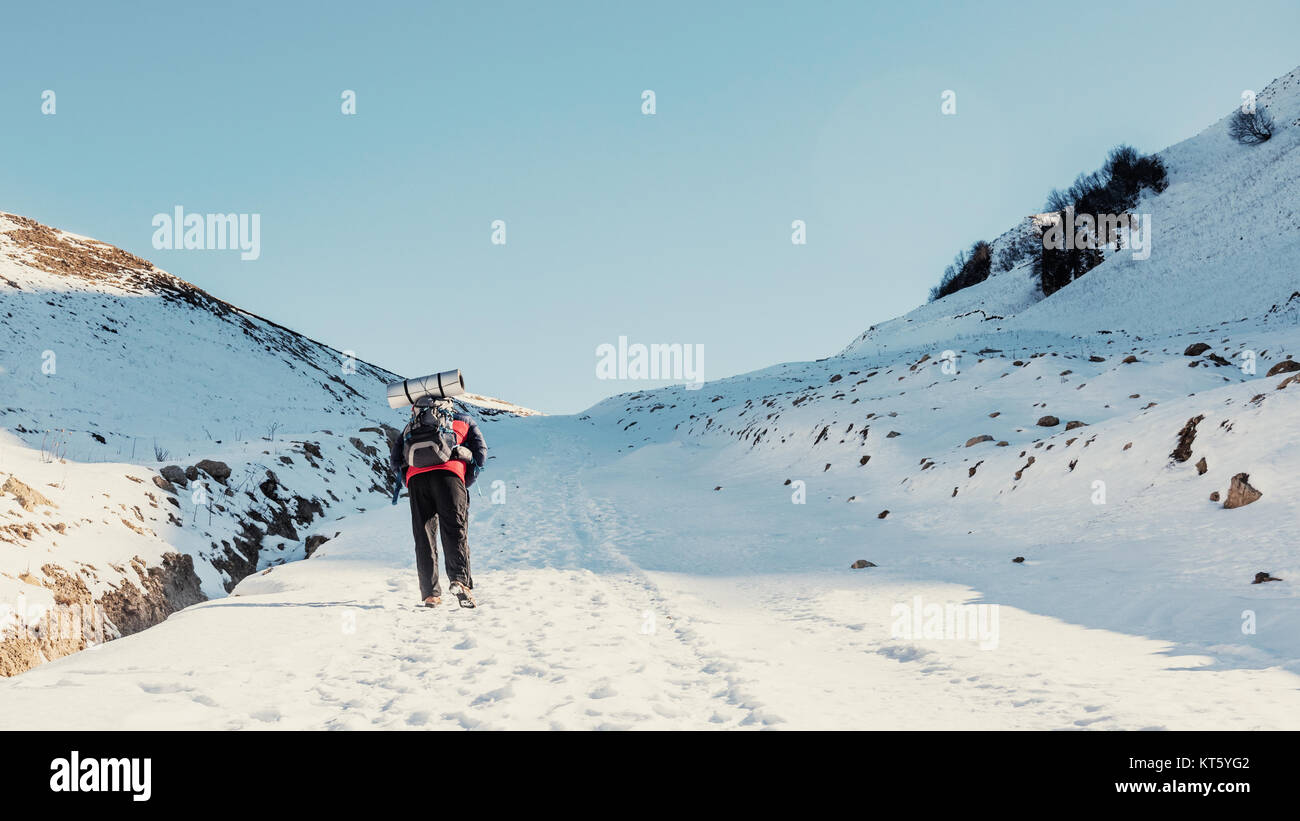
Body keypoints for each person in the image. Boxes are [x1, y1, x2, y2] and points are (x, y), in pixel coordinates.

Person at [388, 397, 487, 608]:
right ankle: (460, 581)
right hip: (450, 478)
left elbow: (395, 459)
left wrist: (410, 479)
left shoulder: (411, 425)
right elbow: (481, 453)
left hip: (417, 480)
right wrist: (464, 478)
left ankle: (430, 594)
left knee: (423, 537)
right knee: (454, 530)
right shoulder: (464, 420)